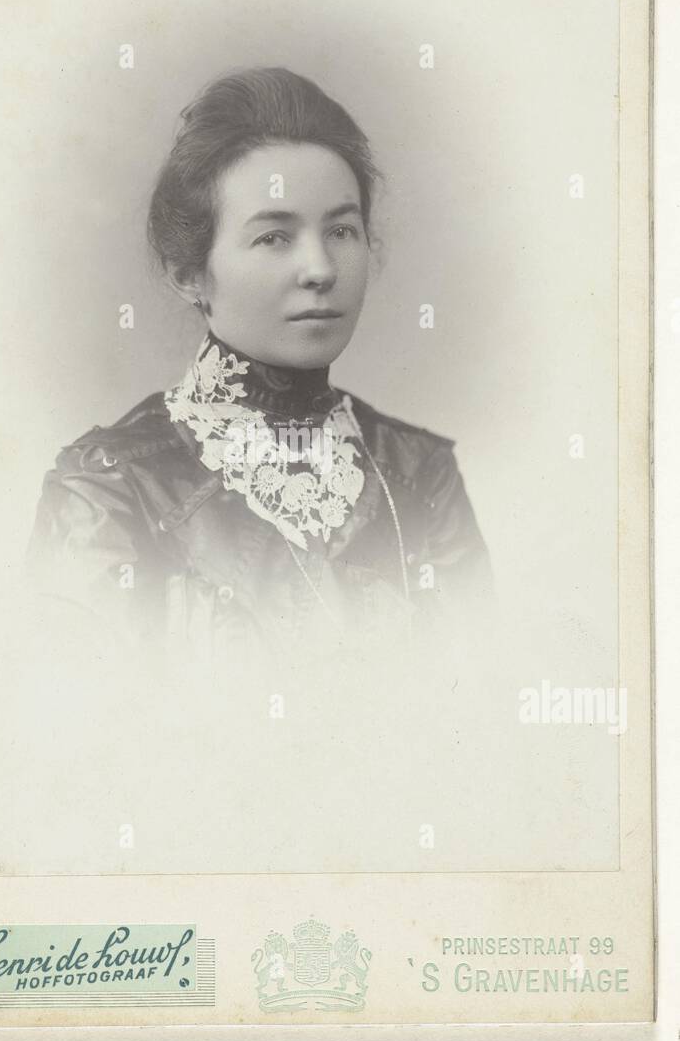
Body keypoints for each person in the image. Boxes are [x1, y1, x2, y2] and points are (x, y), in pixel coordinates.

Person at [28, 67, 491, 692]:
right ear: (188, 273)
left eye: (341, 231)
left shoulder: (419, 471)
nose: (320, 268)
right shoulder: (108, 487)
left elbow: (481, 728)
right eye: (274, 236)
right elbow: (88, 755)